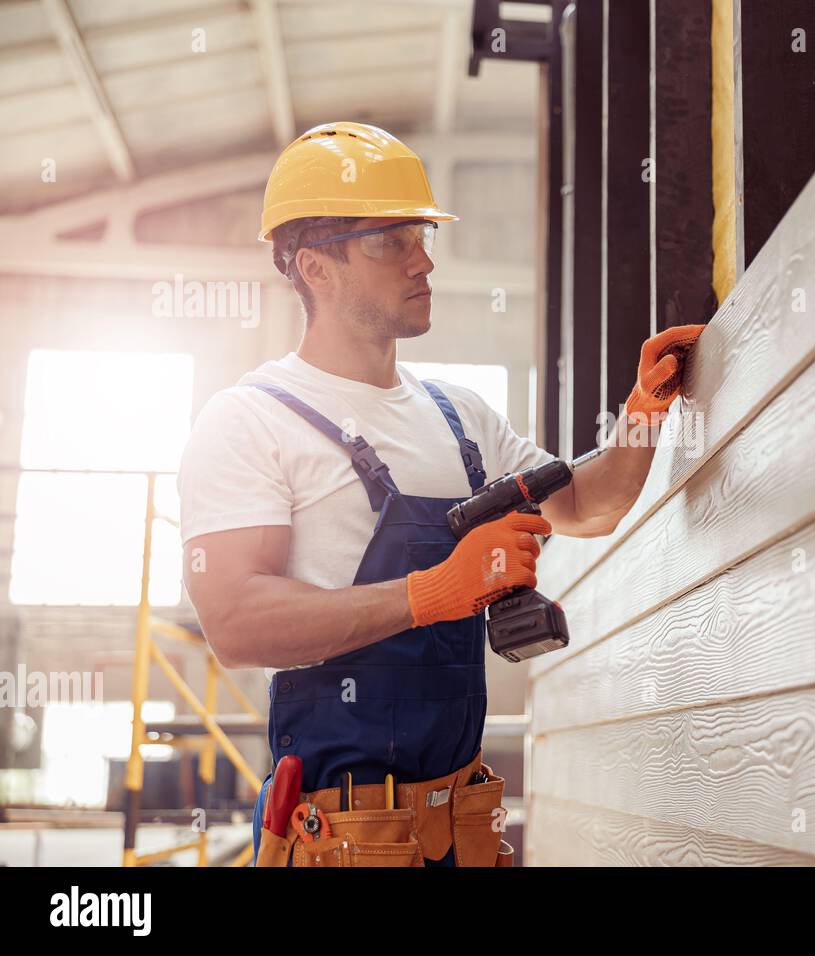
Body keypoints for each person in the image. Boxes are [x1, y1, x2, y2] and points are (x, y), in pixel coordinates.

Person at [177, 122, 704, 866]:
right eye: (390, 241)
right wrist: (437, 591)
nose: (424, 260)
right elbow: (235, 622)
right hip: (344, 840)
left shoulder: (462, 417)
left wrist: (646, 413)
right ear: (314, 267)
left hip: (462, 829)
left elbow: (589, 505)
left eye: (422, 234)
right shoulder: (250, 418)